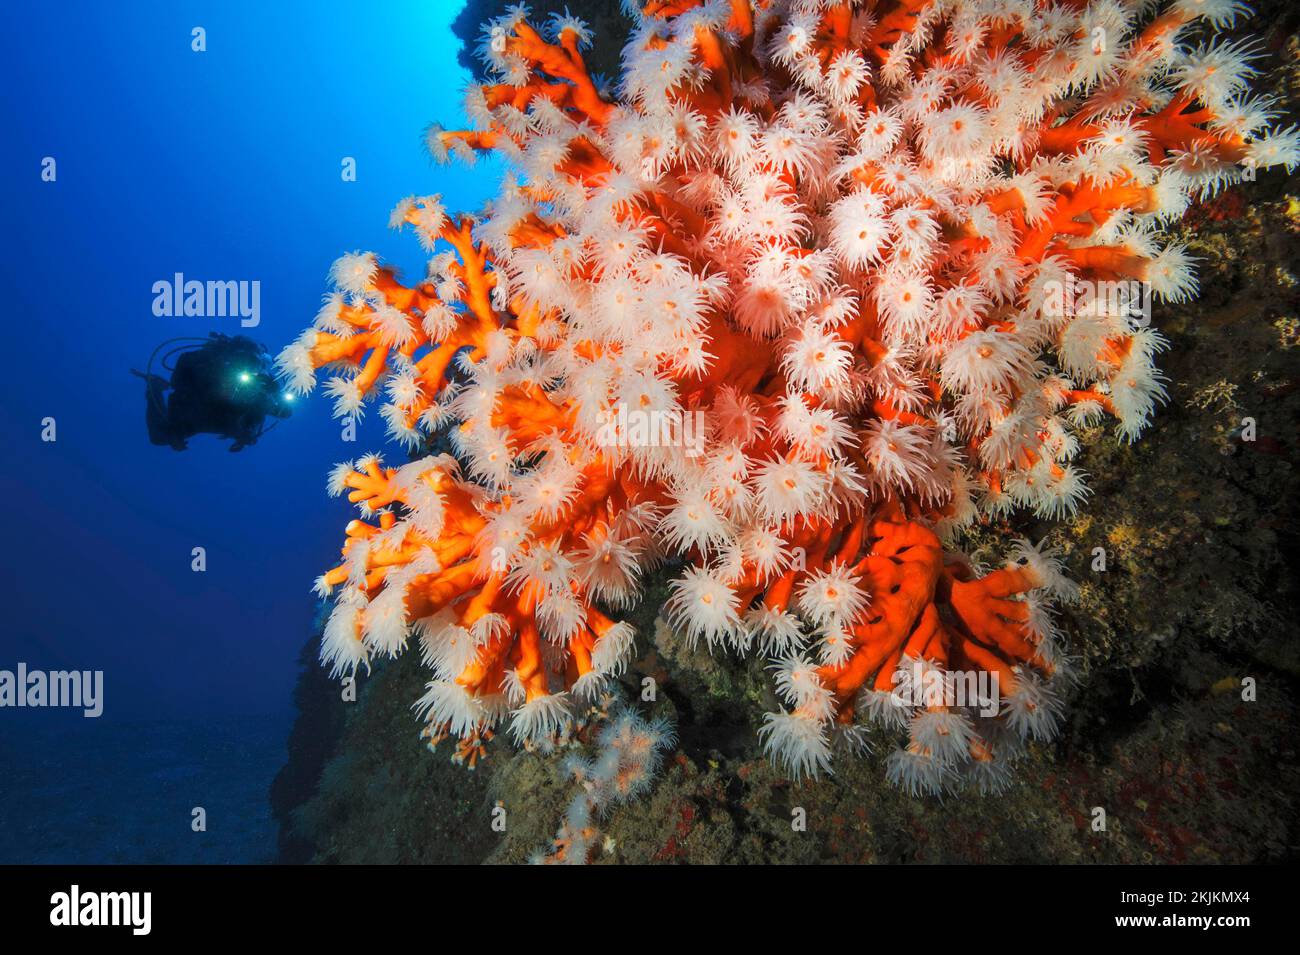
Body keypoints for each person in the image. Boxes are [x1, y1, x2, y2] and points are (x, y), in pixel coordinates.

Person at [134, 334, 293, 451]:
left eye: (251, 363)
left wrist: (247, 433)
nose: (244, 368)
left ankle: (157, 391)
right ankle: (154, 387)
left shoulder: (262, 385)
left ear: (259, 366)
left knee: (161, 436)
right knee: (159, 436)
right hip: (196, 409)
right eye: (240, 360)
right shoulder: (207, 363)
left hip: (226, 421)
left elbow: (282, 412)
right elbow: (183, 369)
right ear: (229, 357)